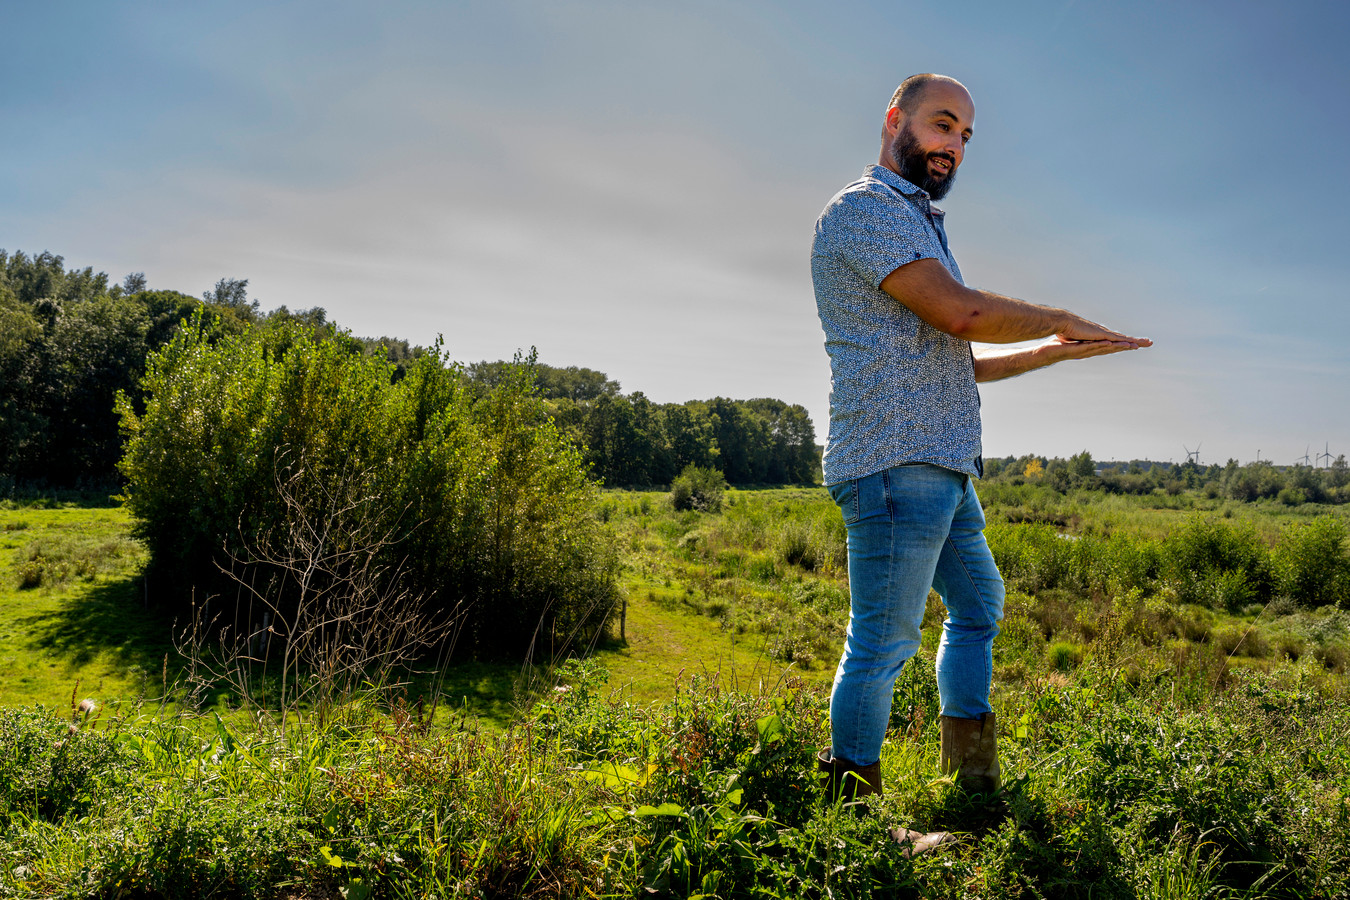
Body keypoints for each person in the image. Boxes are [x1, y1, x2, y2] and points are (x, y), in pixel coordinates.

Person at [811, 73, 1151, 849]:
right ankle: (851, 829)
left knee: (978, 606)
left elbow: (956, 355)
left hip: (945, 467)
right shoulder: (865, 211)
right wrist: (1063, 312)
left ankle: (973, 786)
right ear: (895, 119)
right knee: (883, 640)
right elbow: (961, 313)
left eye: (965, 134)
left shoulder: (921, 225)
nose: (954, 144)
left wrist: (1052, 349)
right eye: (941, 123)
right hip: (896, 463)